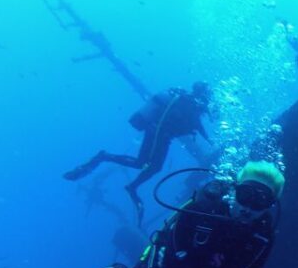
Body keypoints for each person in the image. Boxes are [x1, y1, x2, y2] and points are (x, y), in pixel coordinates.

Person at [57, 161, 284, 268]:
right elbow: (175, 266)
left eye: (260, 202)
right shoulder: (202, 212)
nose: (248, 208)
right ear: (234, 191)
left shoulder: (262, 238)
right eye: (245, 196)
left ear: (270, 207)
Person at [63, 81, 215, 223]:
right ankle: (107, 160)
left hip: (160, 134)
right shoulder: (190, 103)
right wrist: (210, 140)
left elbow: (194, 124)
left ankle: (128, 183)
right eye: (208, 95)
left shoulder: (187, 101)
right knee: (145, 164)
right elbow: (197, 124)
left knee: (147, 165)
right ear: (202, 93)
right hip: (158, 133)